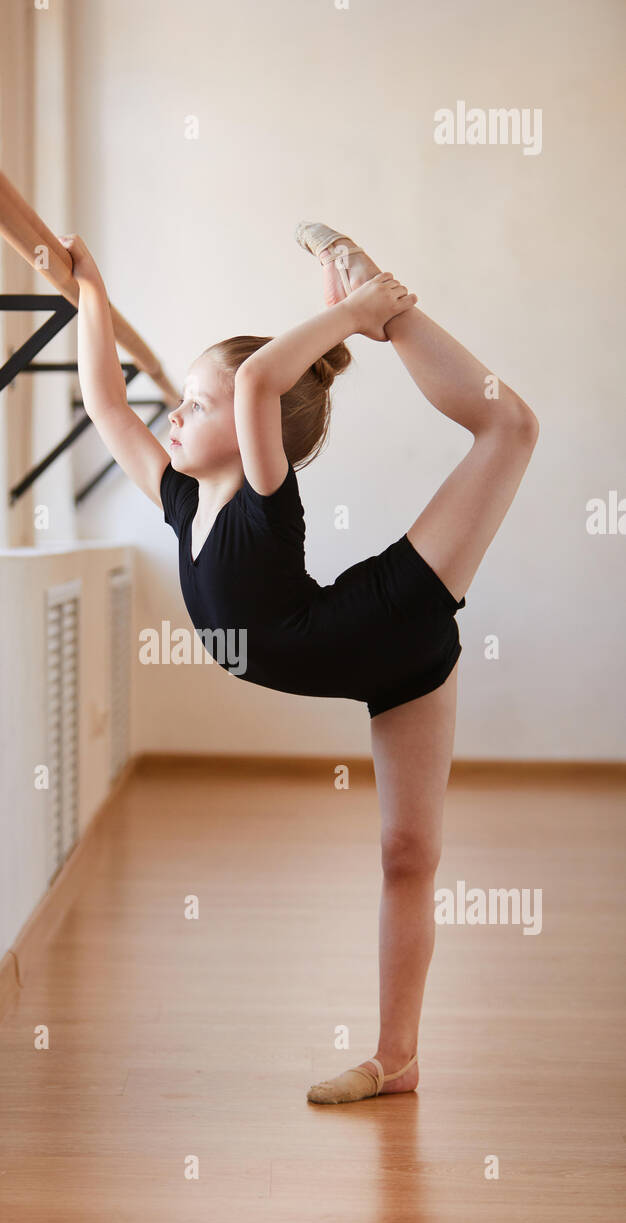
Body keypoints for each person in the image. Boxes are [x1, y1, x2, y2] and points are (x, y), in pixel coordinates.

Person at [59, 222, 539, 1104]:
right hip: (386, 657)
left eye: (195, 407)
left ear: (252, 437)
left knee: (508, 427)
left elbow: (255, 381)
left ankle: (388, 299)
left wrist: (360, 314)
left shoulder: (262, 501)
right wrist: (89, 292)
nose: (177, 412)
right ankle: (397, 1060)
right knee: (407, 854)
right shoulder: (179, 502)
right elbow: (107, 407)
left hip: (398, 613)